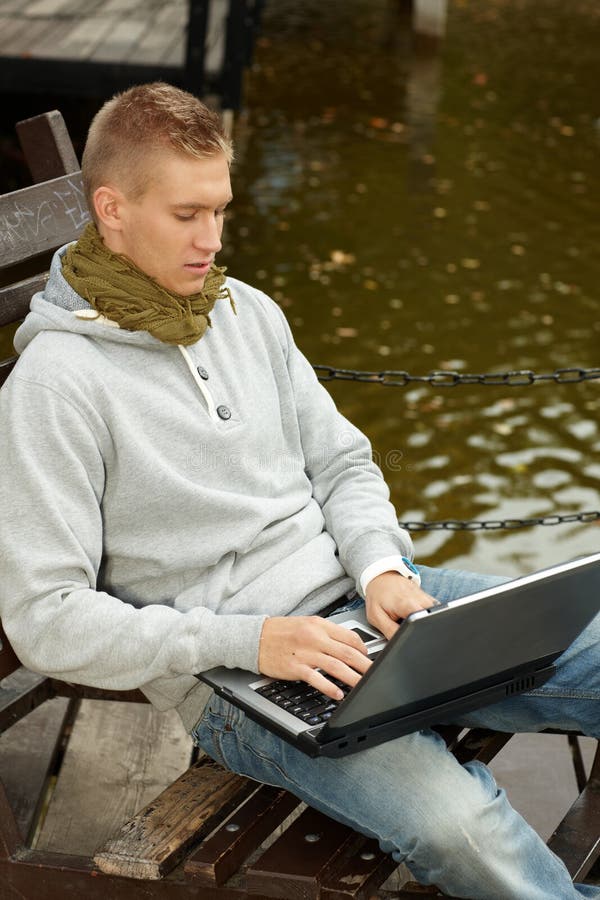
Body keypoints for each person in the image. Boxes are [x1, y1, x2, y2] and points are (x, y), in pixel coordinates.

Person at [0, 82, 597, 900]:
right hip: (236, 680)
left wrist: (382, 566)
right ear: (112, 208)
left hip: (376, 607)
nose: (212, 240)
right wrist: (251, 641)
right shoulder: (55, 385)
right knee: (463, 829)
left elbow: (343, 466)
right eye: (187, 215)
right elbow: (45, 620)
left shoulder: (246, 312)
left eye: (221, 210)